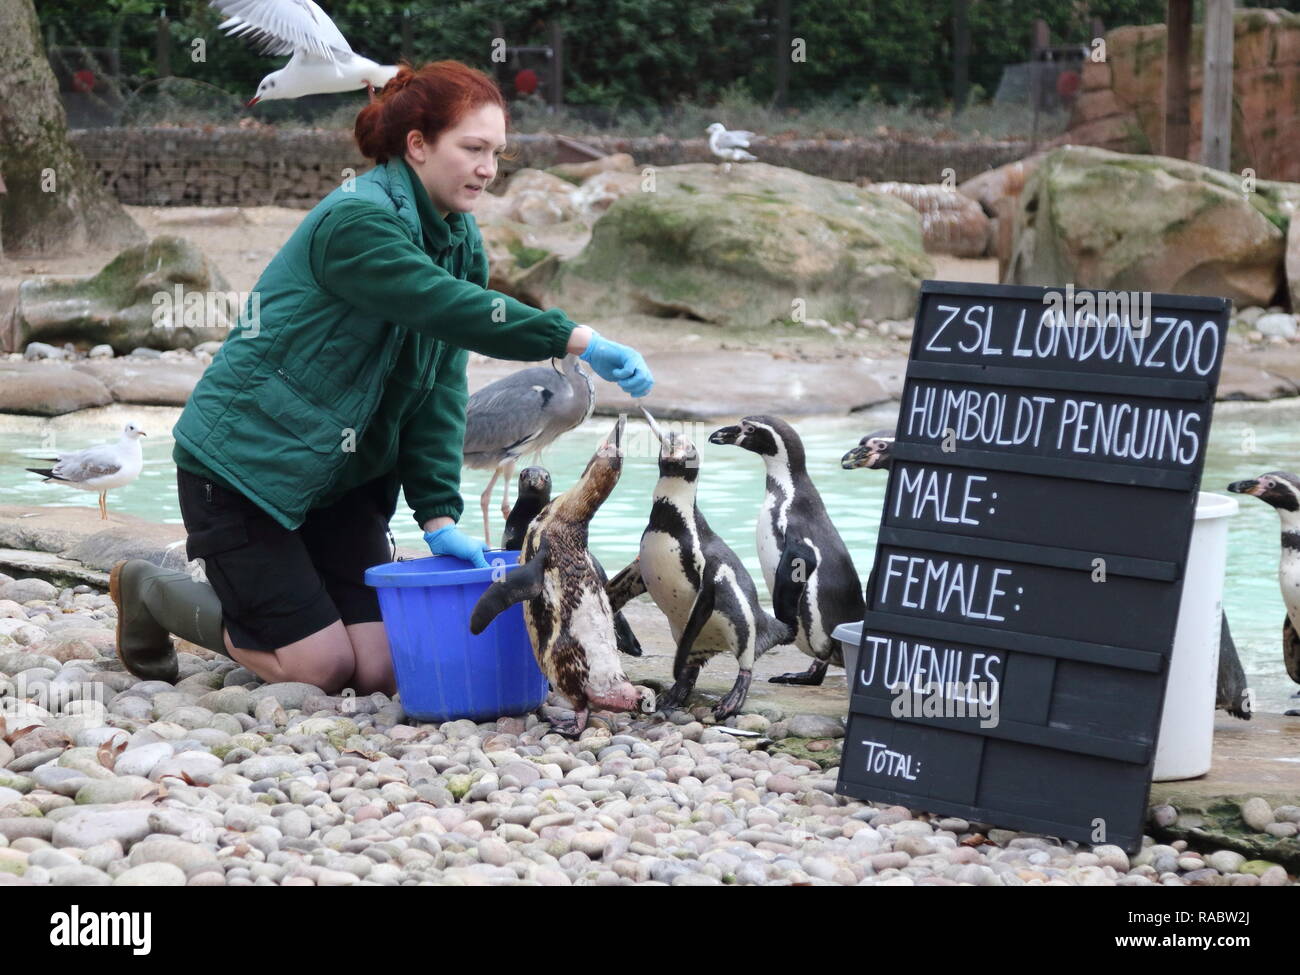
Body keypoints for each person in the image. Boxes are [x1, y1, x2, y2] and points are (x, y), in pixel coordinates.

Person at [109, 61, 653, 696]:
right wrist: (574, 337)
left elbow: (442, 383)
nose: (487, 168)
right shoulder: (357, 221)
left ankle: (276, 608)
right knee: (322, 669)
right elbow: (447, 306)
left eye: (497, 153)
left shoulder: (458, 239)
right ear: (417, 145)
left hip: (342, 482)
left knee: (381, 669)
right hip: (247, 471)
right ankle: (152, 591)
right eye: (472, 149)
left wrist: (438, 514)